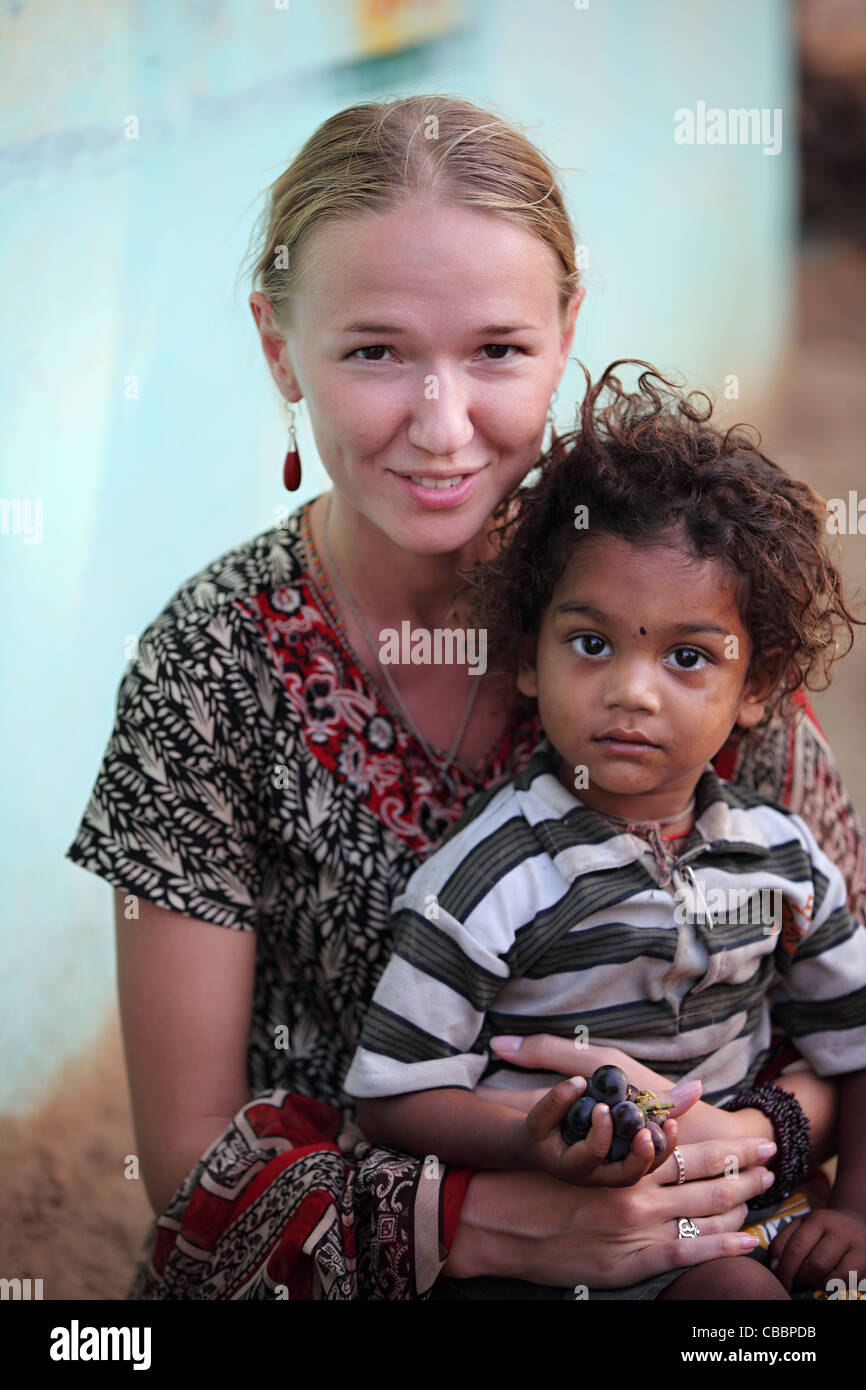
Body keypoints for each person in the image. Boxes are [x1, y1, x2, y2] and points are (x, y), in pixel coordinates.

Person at [65, 96, 865, 1300]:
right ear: (280, 349)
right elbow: (188, 1167)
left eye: (495, 349)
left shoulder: (686, 610)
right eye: (373, 350)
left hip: (700, 1243)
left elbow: (828, 1006)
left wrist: (746, 1136)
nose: (440, 429)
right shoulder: (207, 668)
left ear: (565, 328)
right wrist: (492, 1223)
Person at [345, 360, 866, 1300]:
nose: (632, 690)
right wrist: (525, 1134)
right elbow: (389, 1095)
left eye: (687, 656)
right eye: (592, 643)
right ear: (531, 658)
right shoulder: (491, 876)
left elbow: (857, 1039)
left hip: (716, 1238)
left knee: (752, 1314)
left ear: (756, 688)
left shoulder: (786, 861)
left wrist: (857, 1209)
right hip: (534, 1246)